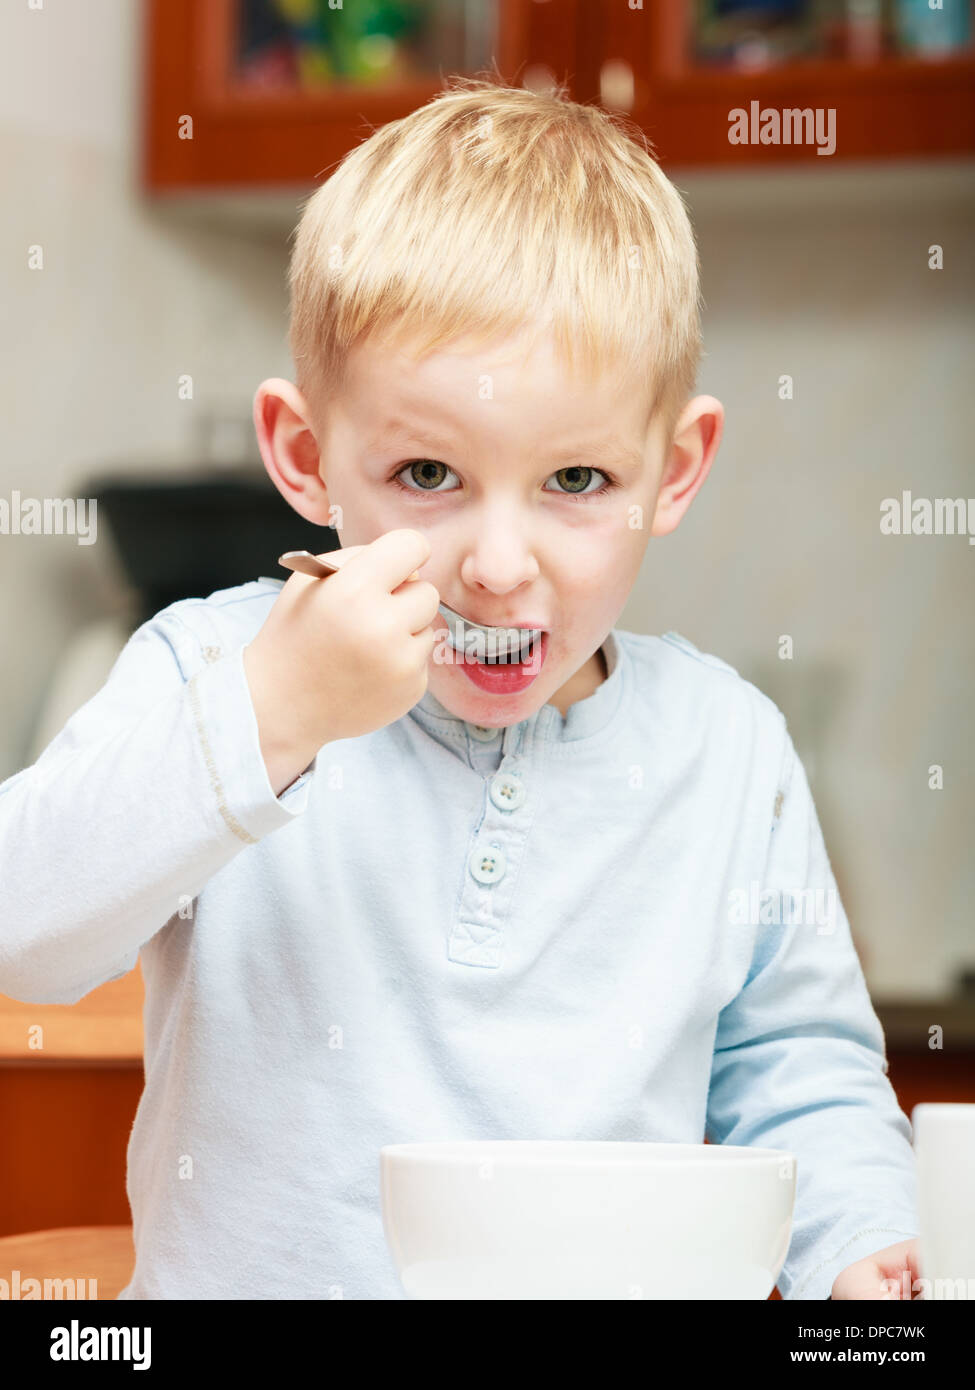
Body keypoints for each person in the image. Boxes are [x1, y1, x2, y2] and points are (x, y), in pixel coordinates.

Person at [0, 75, 920, 1301]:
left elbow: (801, 1071)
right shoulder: (219, 673)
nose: (496, 567)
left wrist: (861, 1247)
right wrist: (275, 714)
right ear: (307, 456)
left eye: (578, 480)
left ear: (676, 468)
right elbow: (29, 930)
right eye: (428, 471)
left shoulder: (729, 752)